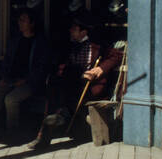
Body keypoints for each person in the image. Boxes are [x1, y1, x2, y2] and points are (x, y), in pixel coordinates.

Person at [35, 13, 122, 145]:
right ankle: (45, 133)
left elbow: (117, 56)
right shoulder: (68, 45)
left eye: (74, 29)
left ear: (83, 32)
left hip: (90, 86)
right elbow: (61, 67)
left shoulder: (98, 46)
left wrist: (100, 69)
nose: (70, 30)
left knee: (63, 99)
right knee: (54, 92)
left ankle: (58, 120)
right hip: (72, 84)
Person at [0, 11, 49, 142]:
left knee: (11, 99)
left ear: (32, 23)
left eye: (24, 20)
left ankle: (12, 131)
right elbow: (7, 60)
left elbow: (40, 68)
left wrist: (25, 80)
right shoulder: (15, 40)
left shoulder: (39, 43)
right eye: (19, 20)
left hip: (29, 82)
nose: (20, 23)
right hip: (10, 80)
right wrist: (3, 77)